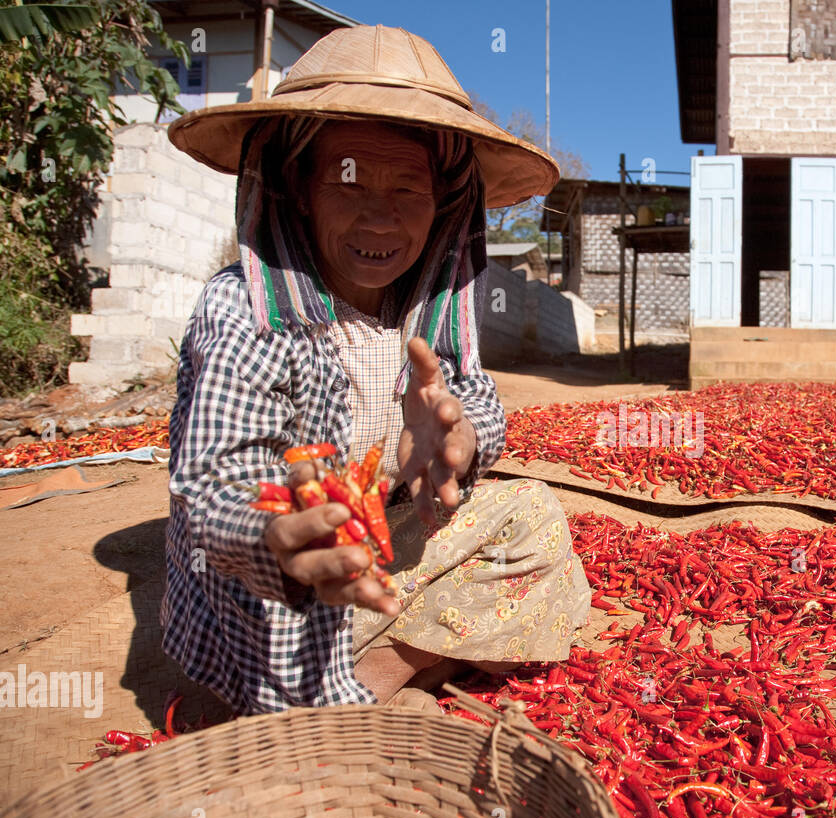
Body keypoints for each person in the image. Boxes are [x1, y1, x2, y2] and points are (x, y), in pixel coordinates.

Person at [160, 25, 590, 714]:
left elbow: (474, 400)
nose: (381, 218)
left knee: (530, 515)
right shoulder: (246, 307)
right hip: (275, 580)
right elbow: (213, 484)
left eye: (410, 191)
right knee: (289, 609)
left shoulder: (426, 311)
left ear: (443, 204)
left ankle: (379, 677)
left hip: (376, 540)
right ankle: (336, 693)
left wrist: (458, 443)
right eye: (349, 180)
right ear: (298, 188)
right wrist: (276, 541)